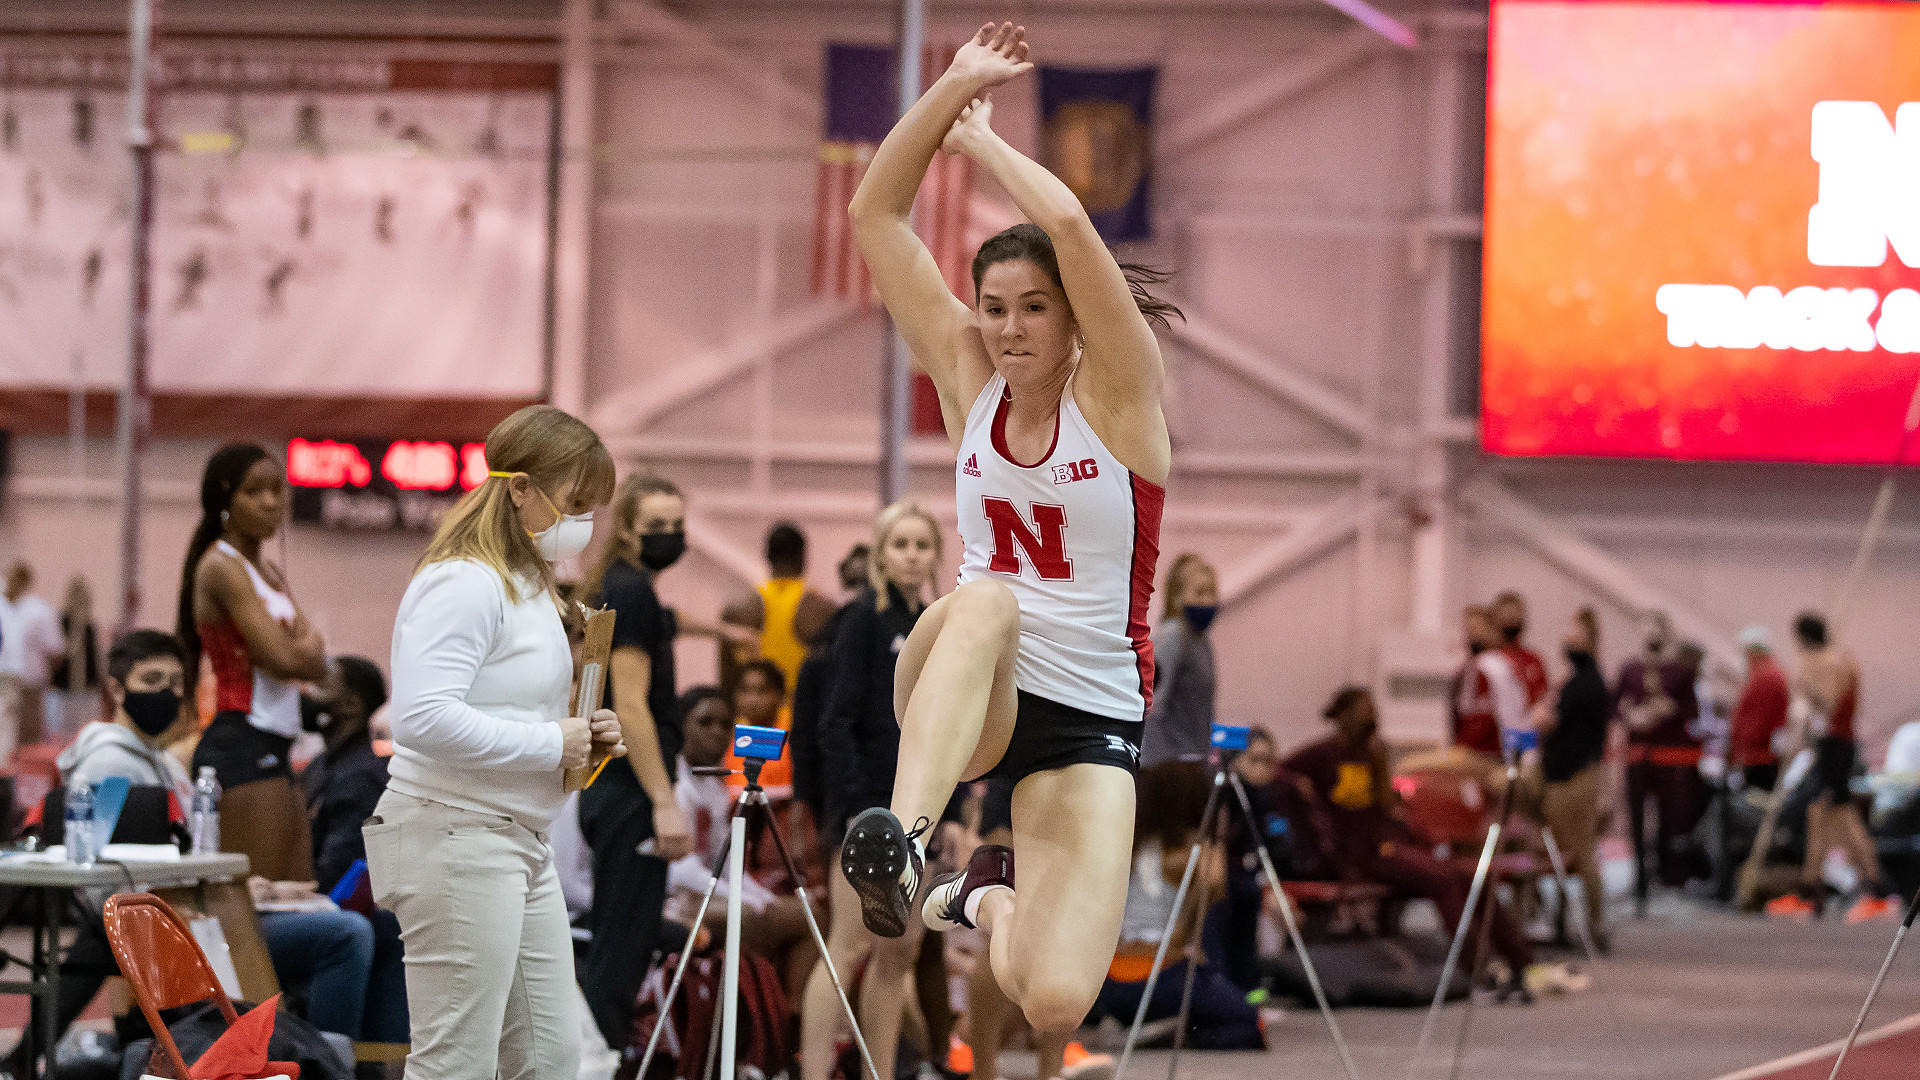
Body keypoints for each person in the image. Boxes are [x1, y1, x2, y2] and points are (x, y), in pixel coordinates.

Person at [842, 23, 1181, 1041]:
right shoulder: (969, 377)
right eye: (994, 308)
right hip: (971, 680)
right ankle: (905, 847)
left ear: (1074, 318)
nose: (1009, 328)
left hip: (1091, 709)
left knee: (1057, 998)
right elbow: (875, 214)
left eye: (1034, 308)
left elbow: (1070, 224)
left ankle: (983, 894)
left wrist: (984, 140)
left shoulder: (1119, 399)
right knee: (987, 599)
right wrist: (947, 88)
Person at [366, 404, 627, 1079]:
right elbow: (420, 718)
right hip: (453, 835)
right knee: (457, 1062)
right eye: (575, 502)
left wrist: (584, 735)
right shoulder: (463, 580)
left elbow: (514, 712)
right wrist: (550, 742)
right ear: (520, 489)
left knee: (551, 1060)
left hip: (518, 838)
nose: (583, 521)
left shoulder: (529, 587)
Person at [1285, 688, 1574, 1000]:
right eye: (1363, 711)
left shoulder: (1375, 754)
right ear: (1345, 715)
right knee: (1443, 881)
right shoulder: (1323, 754)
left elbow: (1386, 806)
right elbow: (1279, 771)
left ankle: (1523, 963)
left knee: (1473, 878)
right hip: (1359, 855)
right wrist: (1301, 791)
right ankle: (1481, 968)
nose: (1371, 718)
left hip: (1390, 845)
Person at [802, 502, 945, 1080]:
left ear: (936, 555)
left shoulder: (935, 622)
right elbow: (834, 723)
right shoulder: (862, 621)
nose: (911, 556)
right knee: (849, 946)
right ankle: (813, 1072)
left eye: (922, 545)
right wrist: (857, 809)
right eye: (899, 545)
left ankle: (879, 1072)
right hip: (868, 811)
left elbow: (945, 726)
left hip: (921, 808)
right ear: (880, 553)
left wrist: (954, 806)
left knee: (899, 952)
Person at [577, 472, 696, 1048]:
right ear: (626, 530)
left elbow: (667, 624)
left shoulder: (620, 587)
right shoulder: (632, 594)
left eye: (677, 524)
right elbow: (630, 704)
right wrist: (664, 801)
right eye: (655, 525)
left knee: (620, 936)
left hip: (612, 788)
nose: (669, 534)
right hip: (630, 792)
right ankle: (600, 1059)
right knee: (621, 950)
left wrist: (722, 630)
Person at [179, 444, 330, 883]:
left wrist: (299, 654)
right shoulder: (221, 567)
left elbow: (316, 663)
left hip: (278, 747)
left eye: (277, 489)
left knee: (300, 893)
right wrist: (297, 650)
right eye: (254, 491)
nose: (271, 502)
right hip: (241, 742)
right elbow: (285, 658)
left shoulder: (270, 572)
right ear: (224, 501)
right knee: (258, 900)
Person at [1082, 761, 1264, 1050]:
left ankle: (1132, 1022)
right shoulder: (1194, 852)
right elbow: (1212, 905)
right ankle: (1176, 1032)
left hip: (1110, 982)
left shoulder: (1127, 846)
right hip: (1162, 976)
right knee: (1248, 1023)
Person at [1764, 613, 1897, 922]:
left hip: (1835, 746)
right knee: (1820, 816)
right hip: (1832, 746)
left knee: (1839, 818)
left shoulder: (1826, 663)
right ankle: (1813, 894)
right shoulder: (1832, 661)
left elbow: (1827, 704)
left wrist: (1805, 685)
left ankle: (1876, 892)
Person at [1613, 610, 1707, 912]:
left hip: (1668, 757)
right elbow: (1615, 705)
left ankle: (1666, 873)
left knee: (1669, 817)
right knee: (1637, 817)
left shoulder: (1678, 673)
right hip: (1637, 755)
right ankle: (1640, 874)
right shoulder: (1630, 669)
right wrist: (1630, 713)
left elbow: (1691, 711)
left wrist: (1670, 709)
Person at [1537, 608, 1610, 952]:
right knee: (1562, 856)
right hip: (1564, 775)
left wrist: (1544, 720)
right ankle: (1565, 922)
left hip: (1575, 778)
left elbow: (1556, 724)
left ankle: (1594, 927)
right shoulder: (1575, 681)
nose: (1568, 642)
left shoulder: (1588, 683)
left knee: (1580, 855)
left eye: (1575, 637)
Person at [791, 544, 872, 831]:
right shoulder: (824, 644)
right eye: (854, 583)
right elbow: (806, 731)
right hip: (838, 789)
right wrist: (803, 798)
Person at [724, 522, 836, 702]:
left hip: (753, 718)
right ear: (803, 557)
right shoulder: (822, 609)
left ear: (767, 556)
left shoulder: (737, 609)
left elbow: (727, 682)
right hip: (799, 714)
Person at [1140, 554, 1218, 768]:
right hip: (1166, 766)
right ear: (1177, 597)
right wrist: (1160, 767)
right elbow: (1152, 707)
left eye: (1212, 592)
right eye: (1200, 593)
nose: (1208, 601)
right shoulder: (1172, 637)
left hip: (1192, 762)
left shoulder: (1202, 641)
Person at [0, 561, 66, 755]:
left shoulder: (38, 610)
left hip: (28, 681)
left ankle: (21, 769)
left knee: (26, 739)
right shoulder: (4, 607)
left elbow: (55, 649)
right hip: (5, 678)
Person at [1729, 625, 1790, 793]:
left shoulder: (1766, 677)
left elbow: (1757, 722)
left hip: (1759, 758)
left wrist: (1738, 750)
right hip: (1758, 755)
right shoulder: (1766, 674)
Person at [47, 575, 101, 742]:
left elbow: (94, 656)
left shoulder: (89, 626)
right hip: (65, 686)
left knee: (85, 729)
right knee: (65, 732)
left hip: (86, 686)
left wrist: (96, 681)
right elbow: (61, 651)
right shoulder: (62, 621)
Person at [1447, 604, 1501, 764]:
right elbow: (1455, 712)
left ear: (1488, 630)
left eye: (1476, 628)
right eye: (1468, 629)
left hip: (1490, 751)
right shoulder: (1463, 670)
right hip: (1465, 748)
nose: (1471, 634)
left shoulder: (1496, 667)